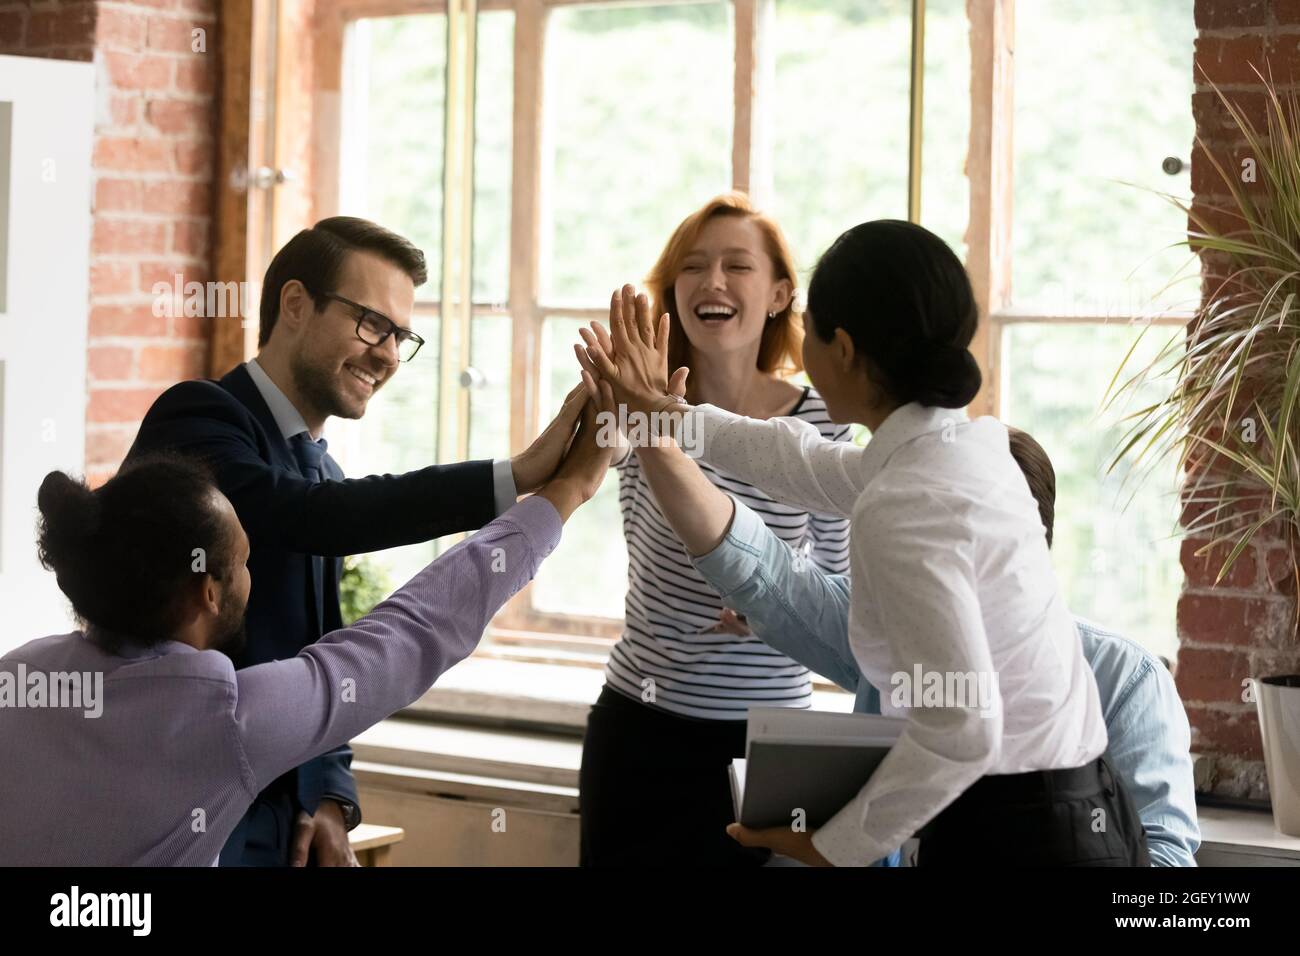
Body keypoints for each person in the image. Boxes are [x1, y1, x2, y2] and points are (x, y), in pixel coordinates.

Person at [576, 218, 1150, 867]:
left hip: (1018, 834)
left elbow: (962, 729)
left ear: (841, 348)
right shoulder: (964, 448)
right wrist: (668, 417)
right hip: (1072, 814)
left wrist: (834, 847)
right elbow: (807, 464)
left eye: (812, 324)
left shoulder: (905, 503)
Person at [126, 216, 585, 866]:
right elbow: (309, 516)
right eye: (373, 323)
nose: (390, 355)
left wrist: (331, 795)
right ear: (294, 304)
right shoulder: (198, 417)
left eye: (402, 336)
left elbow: (318, 649)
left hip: (283, 821)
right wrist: (518, 476)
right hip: (184, 809)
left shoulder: (320, 472)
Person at [0, 388, 612, 866]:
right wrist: (568, 491)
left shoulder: (19, 674)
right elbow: (416, 629)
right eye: (243, 560)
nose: (252, 573)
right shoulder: (226, 719)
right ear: (208, 593)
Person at [623, 411, 1200, 865]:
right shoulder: (891, 627)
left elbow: (1166, 866)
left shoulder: (1127, 680)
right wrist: (655, 424)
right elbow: (763, 571)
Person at [574, 194, 853, 867]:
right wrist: (625, 403)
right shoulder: (636, 399)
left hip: (770, 741)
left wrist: (775, 615)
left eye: (738, 266)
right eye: (693, 267)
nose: (714, 282)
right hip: (640, 728)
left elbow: (840, 585)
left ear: (780, 292)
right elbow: (571, 473)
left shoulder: (820, 420)